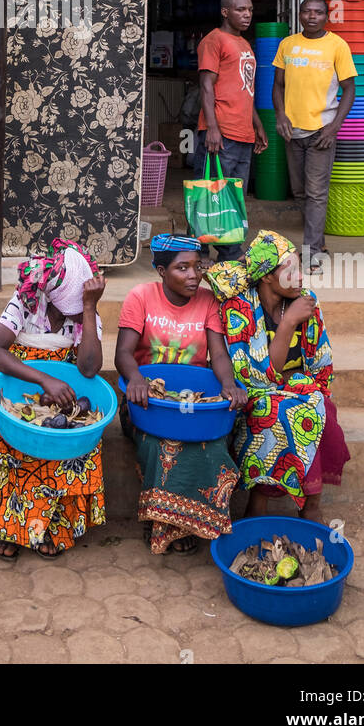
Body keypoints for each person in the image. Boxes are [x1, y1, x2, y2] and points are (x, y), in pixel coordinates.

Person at [0, 239, 106, 559]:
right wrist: (43, 379)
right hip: (15, 382)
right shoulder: (26, 300)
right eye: (76, 305)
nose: (78, 313)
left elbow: (90, 368)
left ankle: (51, 525)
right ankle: (12, 526)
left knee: (71, 441)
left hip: (63, 386)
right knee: (13, 438)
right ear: (53, 296)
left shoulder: (86, 315)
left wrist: (91, 308)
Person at [114, 235, 247, 556]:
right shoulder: (141, 297)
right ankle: (159, 520)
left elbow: (217, 354)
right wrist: (134, 379)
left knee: (212, 442)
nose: (193, 275)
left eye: (197, 267)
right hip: (147, 402)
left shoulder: (208, 302)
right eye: (182, 268)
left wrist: (228, 383)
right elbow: (123, 353)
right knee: (164, 444)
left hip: (192, 401)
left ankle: (190, 521)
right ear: (161, 270)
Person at [205, 230, 349, 523]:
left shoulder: (307, 301)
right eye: (290, 270)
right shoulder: (239, 308)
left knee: (318, 409)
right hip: (254, 394)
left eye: (300, 268)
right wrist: (288, 324)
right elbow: (255, 377)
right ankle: (259, 503)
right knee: (276, 412)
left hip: (300, 389)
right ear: (267, 277)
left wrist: (310, 391)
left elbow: (321, 362)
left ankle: (311, 503)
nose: (300, 277)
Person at [272, 0, 357, 270]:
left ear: (326, 17)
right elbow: (278, 85)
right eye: (307, 11)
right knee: (299, 192)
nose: (312, 16)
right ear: (299, 15)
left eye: (318, 12)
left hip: (322, 130)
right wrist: (280, 115)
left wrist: (334, 127)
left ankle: (311, 253)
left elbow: (350, 89)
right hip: (292, 130)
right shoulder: (288, 44)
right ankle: (317, 243)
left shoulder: (337, 45)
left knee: (316, 192)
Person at [195, 0, 268, 260]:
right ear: (225, 11)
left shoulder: (245, 44)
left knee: (233, 195)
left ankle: (225, 248)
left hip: (243, 132)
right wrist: (212, 128)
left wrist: (258, 124)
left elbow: (244, 89)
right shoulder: (214, 40)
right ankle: (216, 250)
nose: (247, 14)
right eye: (240, 9)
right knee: (212, 191)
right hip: (221, 131)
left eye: (249, 9)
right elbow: (205, 85)